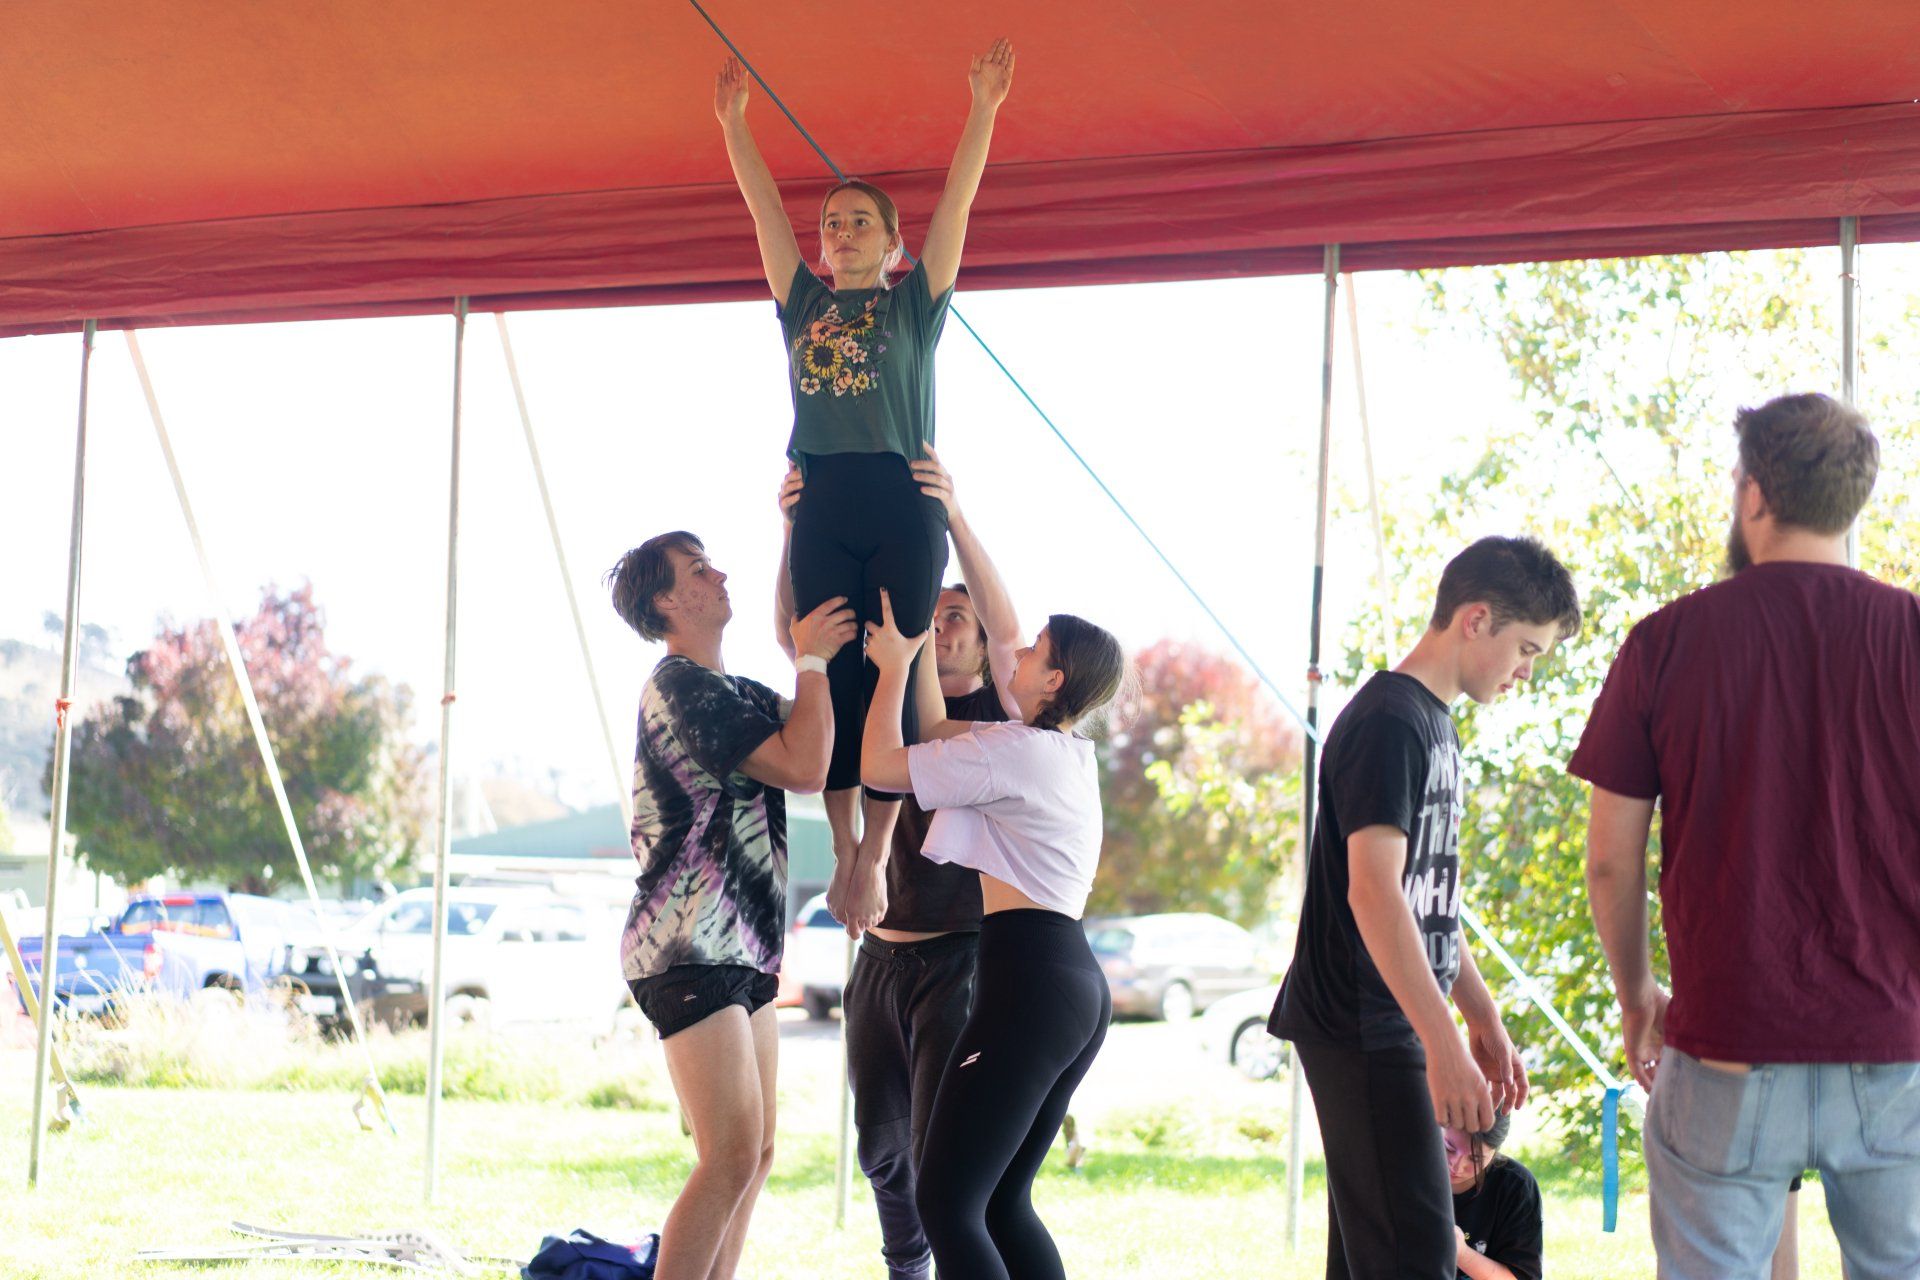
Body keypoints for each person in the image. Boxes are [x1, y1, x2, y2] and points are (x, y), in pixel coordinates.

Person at [1573, 393, 1920, 1280]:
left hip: (1725, 1044)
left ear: (1756, 496)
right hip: (1896, 1050)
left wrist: (1638, 991)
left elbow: (1611, 859)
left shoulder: (1666, 642)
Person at [715, 38, 1017, 933]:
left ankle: (874, 851)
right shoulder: (804, 305)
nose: (837, 232)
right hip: (821, 500)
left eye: (858, 223)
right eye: (831, 224)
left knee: (892, 667)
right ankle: (843, 847)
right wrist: (735, 129)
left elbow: (958, 202)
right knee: (828, 667)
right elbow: (766, 215)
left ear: (892, 245)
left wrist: (983, 110)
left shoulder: (913, 305)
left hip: (899, 496)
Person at [1271, 535, 1582, 1279]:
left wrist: (1482, 1014)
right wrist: (1441, 1043)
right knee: (1413, 1260)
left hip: (1395, 1019)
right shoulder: (1388, 721)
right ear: (1475, 620)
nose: (1526, 673)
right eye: (1526, 649)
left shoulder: (1433, 722)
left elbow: (1429, 901)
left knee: (1374, 1259)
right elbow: (1373, 891)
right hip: (1362, 1020)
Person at [776, 450, 1023, 1280]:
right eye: (937, 611)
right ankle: (904, 1269)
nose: (944, 622)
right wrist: (793, 530)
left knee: (944, 1154)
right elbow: (799, 638)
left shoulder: (998, 725)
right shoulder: (883, 688)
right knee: (882, 1151)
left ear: (987, 653)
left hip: (962, 958)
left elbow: (1008, 623)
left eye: (960, 618)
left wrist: (952, 518)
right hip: (879, 957)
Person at [606, 531, 856, 1280]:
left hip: (741, 949)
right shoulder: (679, 685)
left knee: (758, 1153)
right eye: (697, 569)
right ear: (666, 601)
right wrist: (809, 659)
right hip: (685, 946)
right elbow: (805, 764)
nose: (719, 574)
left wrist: (795, 533)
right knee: (731, 1154)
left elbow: (829, 742)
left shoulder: (741, 693)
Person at [860, 593, 1126, 1280]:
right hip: (1063, 981)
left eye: (1036, 648)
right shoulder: (1055, 753)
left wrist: (891, 670)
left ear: (1054, 680)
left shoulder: (1013, 754)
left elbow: (881, 766)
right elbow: (936, 728)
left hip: (1031, 989)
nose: (1020, 652)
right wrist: (914, 649)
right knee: (1002, 1202)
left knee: (946, 1203)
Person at [1445, 1112, 1544, 1280]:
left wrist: (1462, 1254)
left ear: (1494, 1153)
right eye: (1448, 1148)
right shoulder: (1400, 1172)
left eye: (1475, 1159)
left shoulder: (1515, 1186)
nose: (1457, 1166)